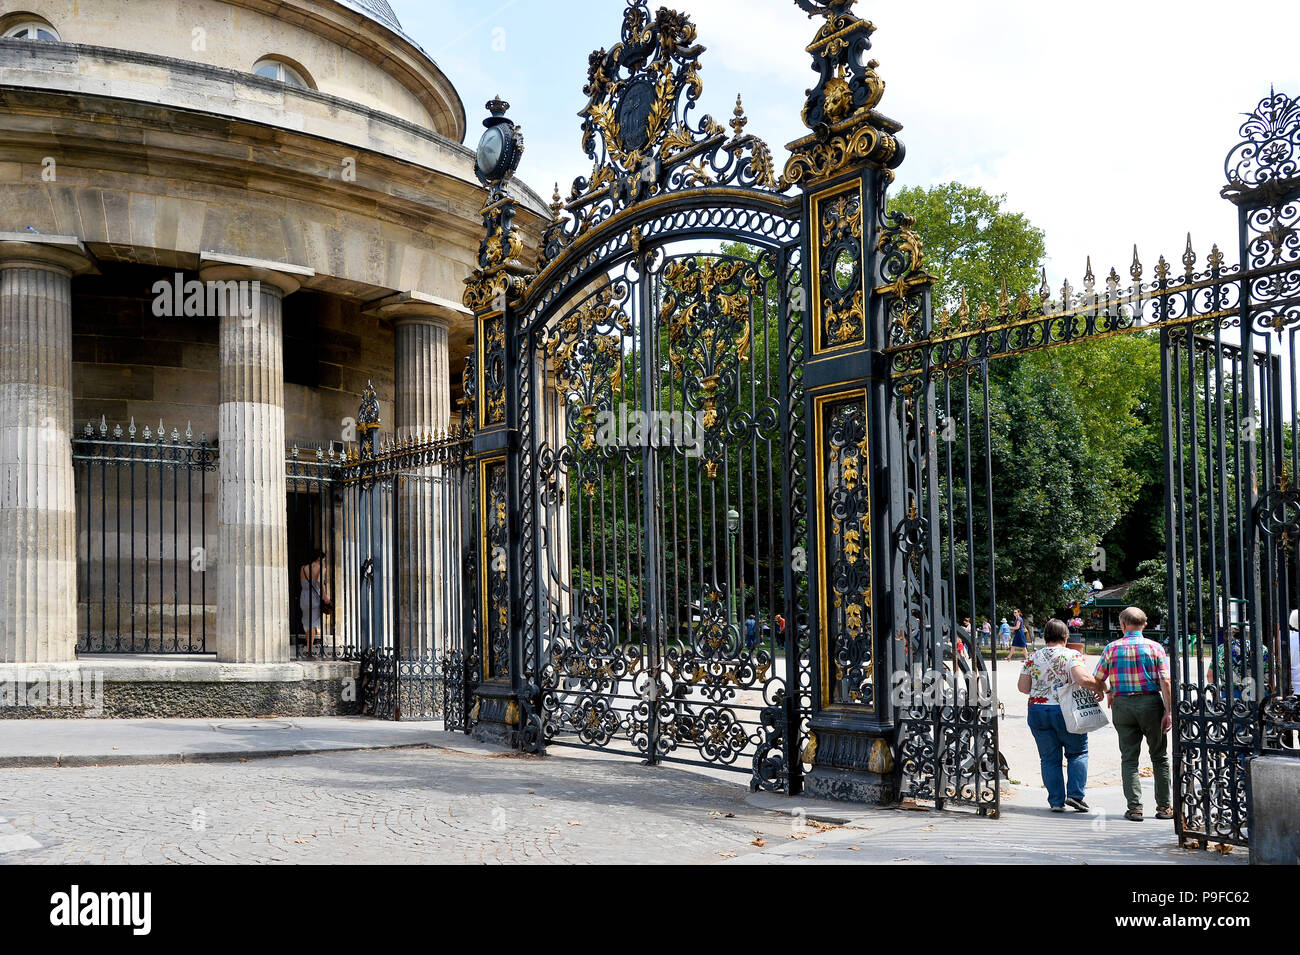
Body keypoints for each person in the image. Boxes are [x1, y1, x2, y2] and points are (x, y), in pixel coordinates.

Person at [1093, 606, 1172, 822]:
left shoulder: (1111, 648)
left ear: (1122, 625)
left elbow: (1097, 678)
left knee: (1129, 758)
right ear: (1145, 624)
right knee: (1160, 756)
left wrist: (1110, 691)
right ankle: (1164, 806)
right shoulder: (1155, 648)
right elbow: (1165, 681)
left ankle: (1135, 807)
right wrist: (1169, 711)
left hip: (1123, 704)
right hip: (1150, 703)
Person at [1018, 618, 1103, 812]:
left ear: (1046, 636)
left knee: (1049, 758)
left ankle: (1056, 801)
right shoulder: (1072, 654)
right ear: (1066, 636)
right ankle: (1075, 795)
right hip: (1066, 710)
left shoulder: (1033, 657)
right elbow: (1082, 679)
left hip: (1038, 710)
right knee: (1078, 752)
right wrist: (1100, 686)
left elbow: (1023, 687)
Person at [298, 549, 330, 658]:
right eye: (323, 559)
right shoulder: (321, 568)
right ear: (319, 558)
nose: (324, 562)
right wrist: (325, 597)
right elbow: (319, 582)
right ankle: (309, 650)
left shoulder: (303, 568)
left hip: (304, 597)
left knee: (307, 623)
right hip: (314, 597)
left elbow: (303, 583)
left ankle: (308, 647)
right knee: (313, 624)